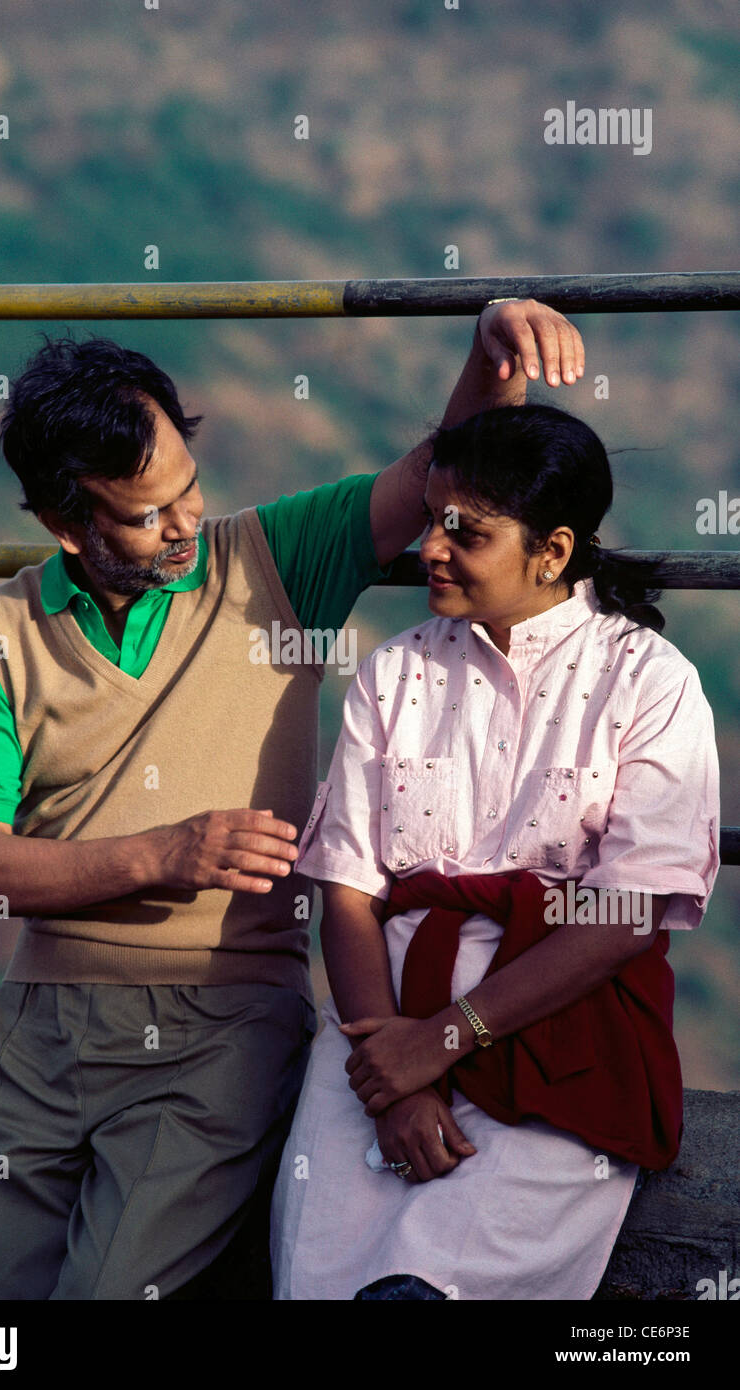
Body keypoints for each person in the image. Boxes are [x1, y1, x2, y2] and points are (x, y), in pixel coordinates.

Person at [0, 302, 583, 1301]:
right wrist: (165, 853)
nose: (187, 522)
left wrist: (490, 351)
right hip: (36, 1025)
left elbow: (432, 478)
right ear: (67, 523)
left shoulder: (271, 563)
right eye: (148, 513)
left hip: (219, 1022)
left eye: (188, 489)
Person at [271, 401, 720, 1301]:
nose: (430, 548)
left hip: (559, 1024)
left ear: (552, 552)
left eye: (464, 533)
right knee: (324, 1281)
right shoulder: (395, 672)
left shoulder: (648, 681)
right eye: (434, 520)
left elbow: (630, 914)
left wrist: (448, 1039)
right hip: (381, 1022)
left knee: (434, 1290)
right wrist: (394, 1078)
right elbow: (349, 889)